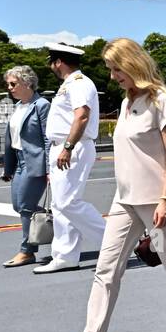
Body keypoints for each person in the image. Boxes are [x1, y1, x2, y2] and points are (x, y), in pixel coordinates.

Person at [48, 39, 166, 332]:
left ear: (133, 63)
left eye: (116, 68)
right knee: (105, 270)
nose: (112, 77)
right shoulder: (127, 102)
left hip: (157, 200)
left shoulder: (161, 99)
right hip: (124, 199)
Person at [33, 43, 106, 274]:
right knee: (60, 204)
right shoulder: (68, 85)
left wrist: (68, 146)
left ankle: (115, 242)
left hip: (73, 146)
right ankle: (65, 255)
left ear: (59, 62)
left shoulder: (80, 83)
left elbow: (82, 116)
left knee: (68, 202)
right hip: (63, 146)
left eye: (52, 62)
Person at [0, 65, 51, 268]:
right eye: (8, 84)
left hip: (34, 162)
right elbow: (12, 140)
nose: (10, 88)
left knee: (26, 207)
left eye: (13, 84)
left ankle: (27, 251)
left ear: (27, 82)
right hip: (19, 162)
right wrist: (8, 168)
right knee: (18, 206)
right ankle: (58, 221)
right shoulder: (19, 106)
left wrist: (48, 169)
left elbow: (48, 139)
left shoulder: (42, 105)